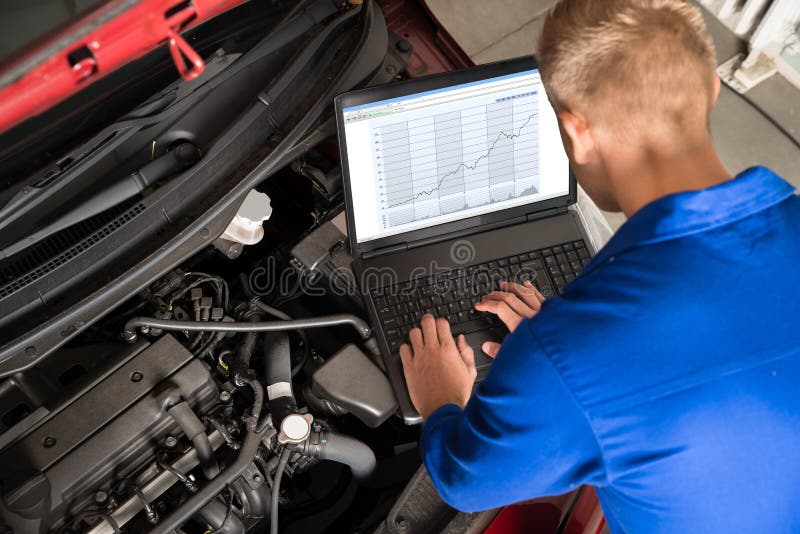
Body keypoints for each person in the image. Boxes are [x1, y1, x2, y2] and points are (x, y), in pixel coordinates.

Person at [399, 0, 800, 531]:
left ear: (577, 131)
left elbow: (465, 480)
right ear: (712, 87)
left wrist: (442, 400)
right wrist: (567, 347)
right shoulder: (573, 348)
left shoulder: (571, 352)